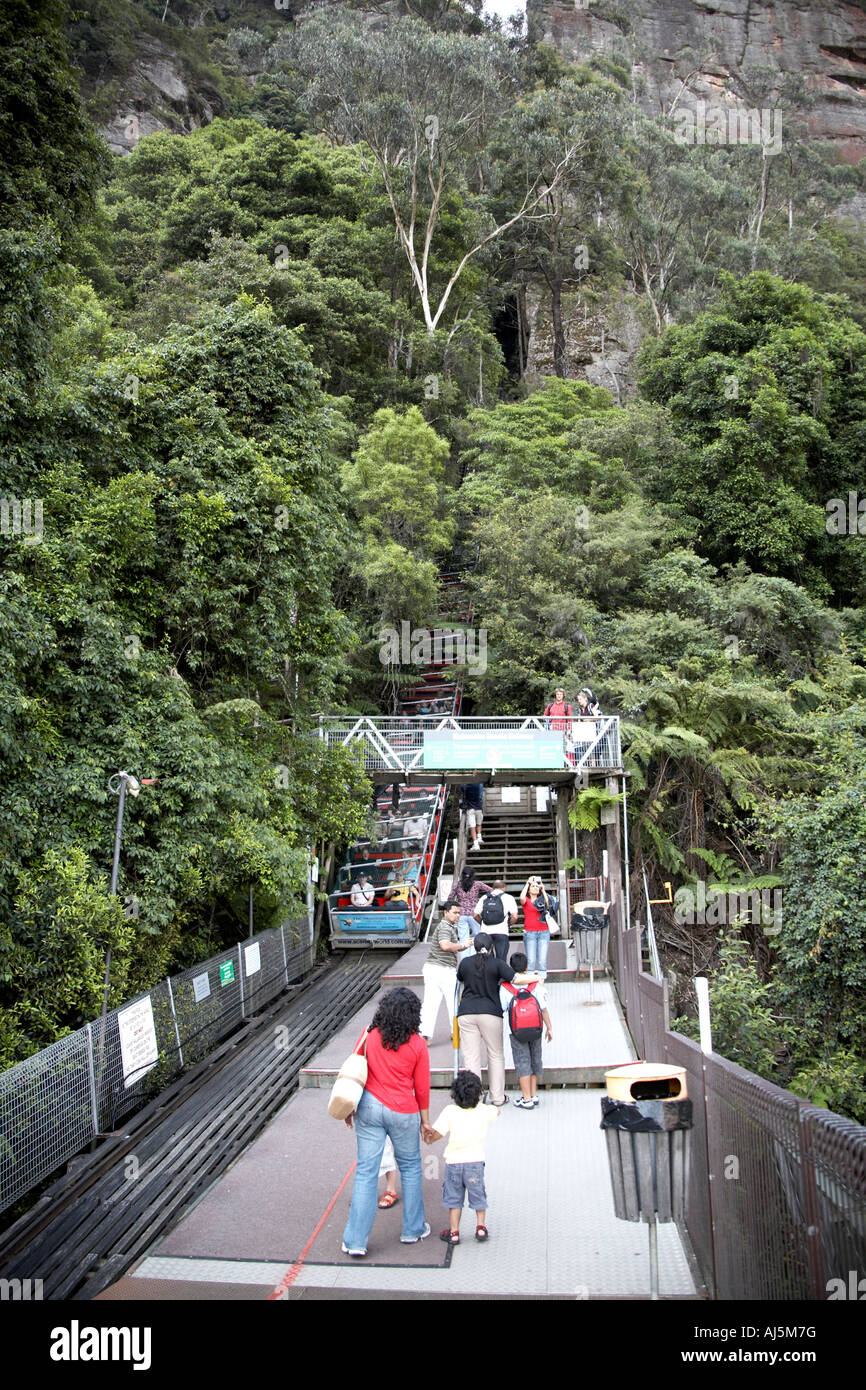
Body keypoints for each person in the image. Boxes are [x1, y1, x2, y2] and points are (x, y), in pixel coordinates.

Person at [341, 988, 432, 1257]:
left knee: (366, 1172)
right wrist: (424, 1122)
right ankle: (412, 1230)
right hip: (403, 1110)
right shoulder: (417, 1044)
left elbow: (353, 1071)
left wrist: (349, 1107)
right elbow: (422, 1088)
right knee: (412, 1167)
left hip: (369, 1108)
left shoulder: (370, 1036)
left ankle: (355, 1241)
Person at [456, 933, 537, 1108]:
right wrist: (538, 978)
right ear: (491, 947)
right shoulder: (497, 963)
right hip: (491, 1013)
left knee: (471, 1058)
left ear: (474, 947)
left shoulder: (465, 963)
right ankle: (498, 1097)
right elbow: (517, 979)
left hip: (466, 1013)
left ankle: (474, 1099)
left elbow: (460, 980)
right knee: (495, 1055)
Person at [425, 1070, 498, 1244]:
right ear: (478, 1094)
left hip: (454, 1163)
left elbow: (435, 1135)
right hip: (475, 1163)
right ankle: (480, 1227)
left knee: (454, 1198)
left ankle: (455, 1232)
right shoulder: (482, 1110)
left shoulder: (450, 1111)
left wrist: (428, 1137)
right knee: (478, 1195)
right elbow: (496, 1112)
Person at [500, 951, 553, 1110]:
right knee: (535, 1058)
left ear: (511, 967)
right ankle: (534, 1094)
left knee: (522, 1061)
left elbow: (503, 1007)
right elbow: (543, 1008)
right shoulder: (535, 984)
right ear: (527, 967)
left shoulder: (505, 987)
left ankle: (526, 1098)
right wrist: (549, 1028)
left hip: (516, 1031)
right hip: (536, 1027)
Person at [420, 903, 464, 1043]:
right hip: (443, 969)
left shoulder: (446, 926)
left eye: (459, 913)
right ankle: (455, 1033)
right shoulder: (445, 927)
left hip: (432, 967)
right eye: (455, 912)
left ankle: (424, 1035)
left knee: (430, 1003)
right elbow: (445, 945)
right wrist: (463, 945)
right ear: (446, 912)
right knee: (453, 1003)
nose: (457, 915)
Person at [446, 865, 493, 958]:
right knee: (477, 936)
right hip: (475, 914)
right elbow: (492, 891)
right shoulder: (478, 884)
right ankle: (475, 956)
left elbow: (450, 898)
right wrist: (483, 900)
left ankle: (464, 960)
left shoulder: (457, 885)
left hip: (461, 914)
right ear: (473, 875)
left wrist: (457, 906)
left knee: (463, 938)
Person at [474, 880, 519, 961]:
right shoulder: (508, 897)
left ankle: (489, 973)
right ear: (504, 888)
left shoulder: (484, 897)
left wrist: (482, 923)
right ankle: (500, 973)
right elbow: (515, 916)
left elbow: (475, 915)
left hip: (486, 932)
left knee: (487, 960)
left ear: (492, 888)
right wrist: (508, 925)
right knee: (501, 959)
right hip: (502, 931)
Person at [519, 875, 552, 976]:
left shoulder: (541, 900)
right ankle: (530, 982)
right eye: (533, 886)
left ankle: (541, 982)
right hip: (530, 932)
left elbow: (548, 903)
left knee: (542, 960)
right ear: (529, 890)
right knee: (531, 960)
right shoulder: (527, 901)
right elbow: (521, 898)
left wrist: (543, 889)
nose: (535, 888)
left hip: (544, 931)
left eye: (537, 887)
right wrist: (528, 883)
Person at [461, 783, 484, 850]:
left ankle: (476, 844)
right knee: (479, 823)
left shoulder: (465, 785)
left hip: (470, 808)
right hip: (479, 807)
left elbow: (462, 788)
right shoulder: (479, 784)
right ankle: (479, 837)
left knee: (472, 826)